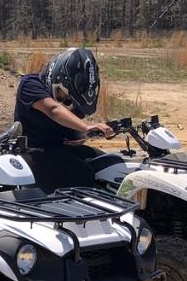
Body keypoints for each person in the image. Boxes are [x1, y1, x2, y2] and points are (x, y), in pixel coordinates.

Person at [13, 47, 116, 193]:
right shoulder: (30, 84)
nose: (67, 101)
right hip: (32, 151)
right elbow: (53, 110)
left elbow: (70, 125)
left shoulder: (71, 102)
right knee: (81, 173)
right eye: (65, 96)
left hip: (60, 148)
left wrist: (80, 135)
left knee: (109, 164)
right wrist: (85, 127)